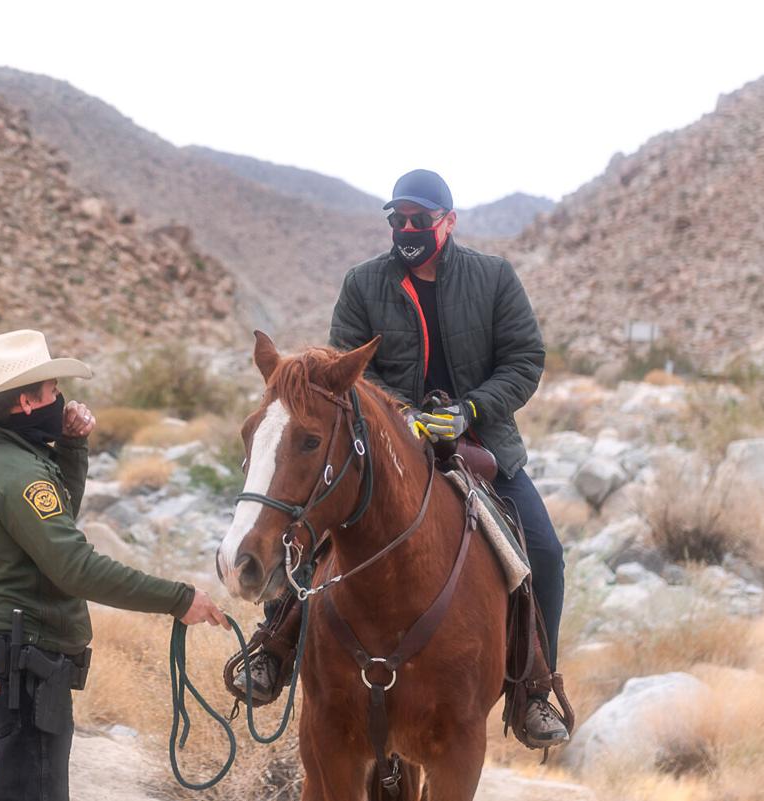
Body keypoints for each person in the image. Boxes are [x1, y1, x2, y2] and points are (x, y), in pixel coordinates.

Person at [239, 169, 569, 746]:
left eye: (420, 219)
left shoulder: (493, 277)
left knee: (543, 552)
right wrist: (405, 414)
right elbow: (340, 372)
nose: (408, 228)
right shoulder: (364, 283)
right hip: (387, 442)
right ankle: (275, 644)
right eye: (399, 219)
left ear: (449, 221)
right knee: (313, 525)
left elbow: (524, 360)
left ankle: (534, 690)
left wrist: (469, 409)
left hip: (483, 444)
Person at [0, 330, 229, 801]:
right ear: (27, 403)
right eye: (52, 390)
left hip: (10, 662)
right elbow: (76, 566)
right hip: (20, 668)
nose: (62, 399)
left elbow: (56, 524)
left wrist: (71, 447)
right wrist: (178, 598)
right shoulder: (16, 473)